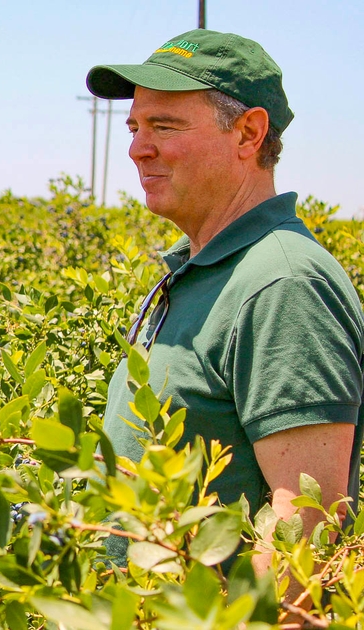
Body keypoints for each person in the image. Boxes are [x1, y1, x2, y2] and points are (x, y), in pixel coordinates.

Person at [87, 29, 363, 574]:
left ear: (248, 133)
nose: (138, 148)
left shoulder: (283, 283)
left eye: (165, 126)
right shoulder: (205, 267)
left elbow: (306, 529)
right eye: (136, 127)